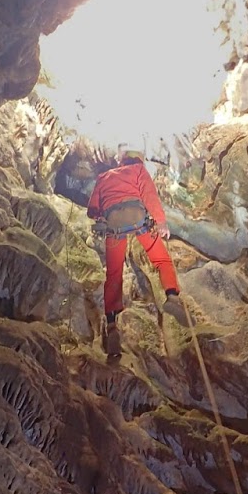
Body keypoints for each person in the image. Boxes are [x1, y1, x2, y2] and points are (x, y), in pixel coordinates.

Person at [87, 148, 185, 355]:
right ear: (137, 161)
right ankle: (172, 297)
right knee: (161, 260)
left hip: (114, 224)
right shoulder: (138, 170)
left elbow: (92, 209)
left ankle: (112, 322)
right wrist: (161, 223)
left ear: (121, 162)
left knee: (113, 274)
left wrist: (101, 215)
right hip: (138, 218)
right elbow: (149, 195)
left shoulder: (104, 176)